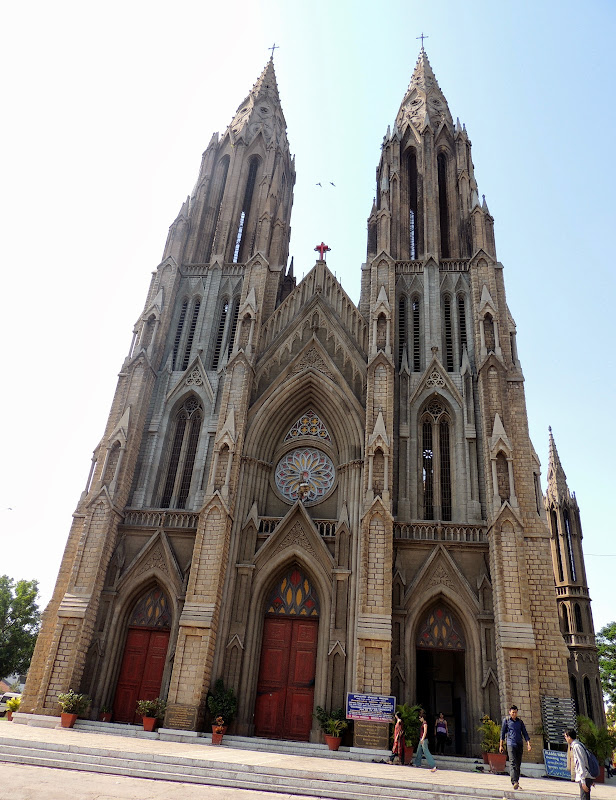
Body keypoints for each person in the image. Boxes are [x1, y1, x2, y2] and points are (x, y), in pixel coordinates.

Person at [499, 704, 531, 790]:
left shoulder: (520, 722)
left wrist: (528, 744)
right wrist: (501, 745)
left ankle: (517, 781)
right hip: (511, 744)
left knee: (518, 764)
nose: (514, 714)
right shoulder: (506, 721)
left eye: (515, 712)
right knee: (512, 762)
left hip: (519, 744)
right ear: (510, 712)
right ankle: (514, 781)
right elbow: (502, 734)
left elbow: (525, 733)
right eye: (513, 712)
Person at [564, 729, 594, 799]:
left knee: (584, 798)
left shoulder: (577, 746)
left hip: (584, 777)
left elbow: (581, 763)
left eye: (565, 736)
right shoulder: (579, 745)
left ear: (569, 737)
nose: (565, 738)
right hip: (586, 776)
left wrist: (583, 781)